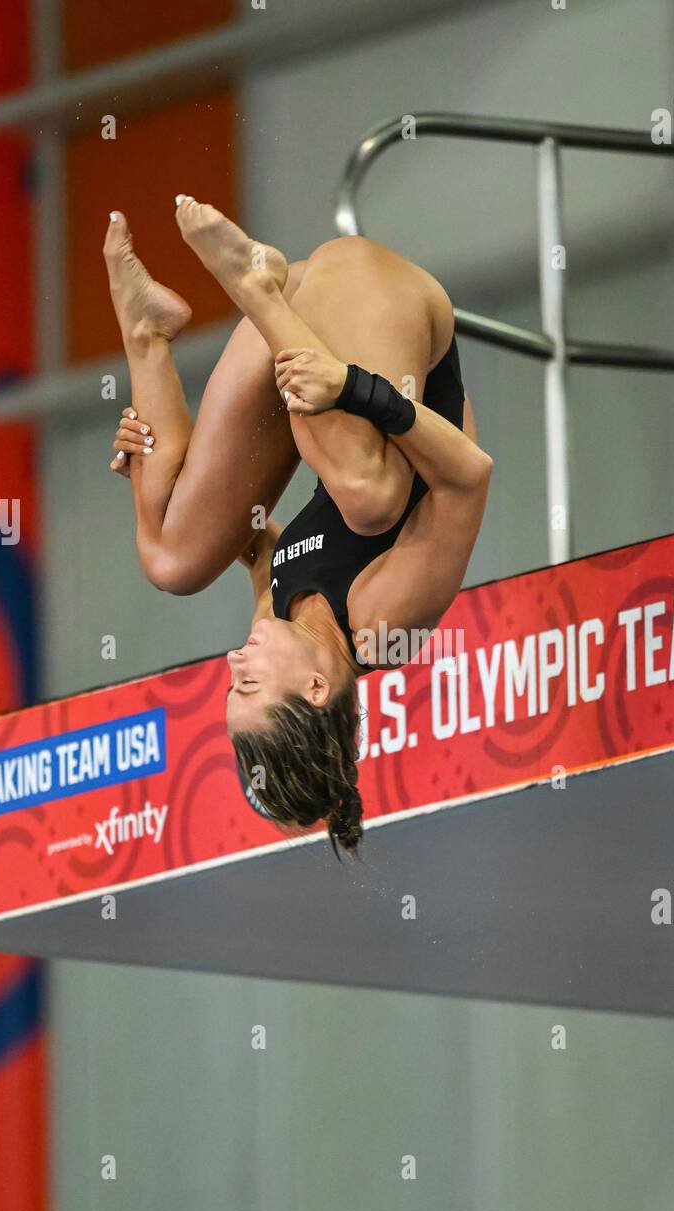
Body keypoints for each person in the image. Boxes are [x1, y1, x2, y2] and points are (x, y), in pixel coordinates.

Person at [104, 199, 492, 854]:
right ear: (316, 689)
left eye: (233, 683)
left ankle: (146, 329)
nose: (233, 661)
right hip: (379, 301)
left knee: (173, 558)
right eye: (247, 683)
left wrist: (150, 484)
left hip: (297, 323)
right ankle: (256, 287)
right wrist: (358, 389)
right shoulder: (383, 624)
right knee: (372, 497)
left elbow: (244, 534)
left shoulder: (276, 611)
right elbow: (469, 477)